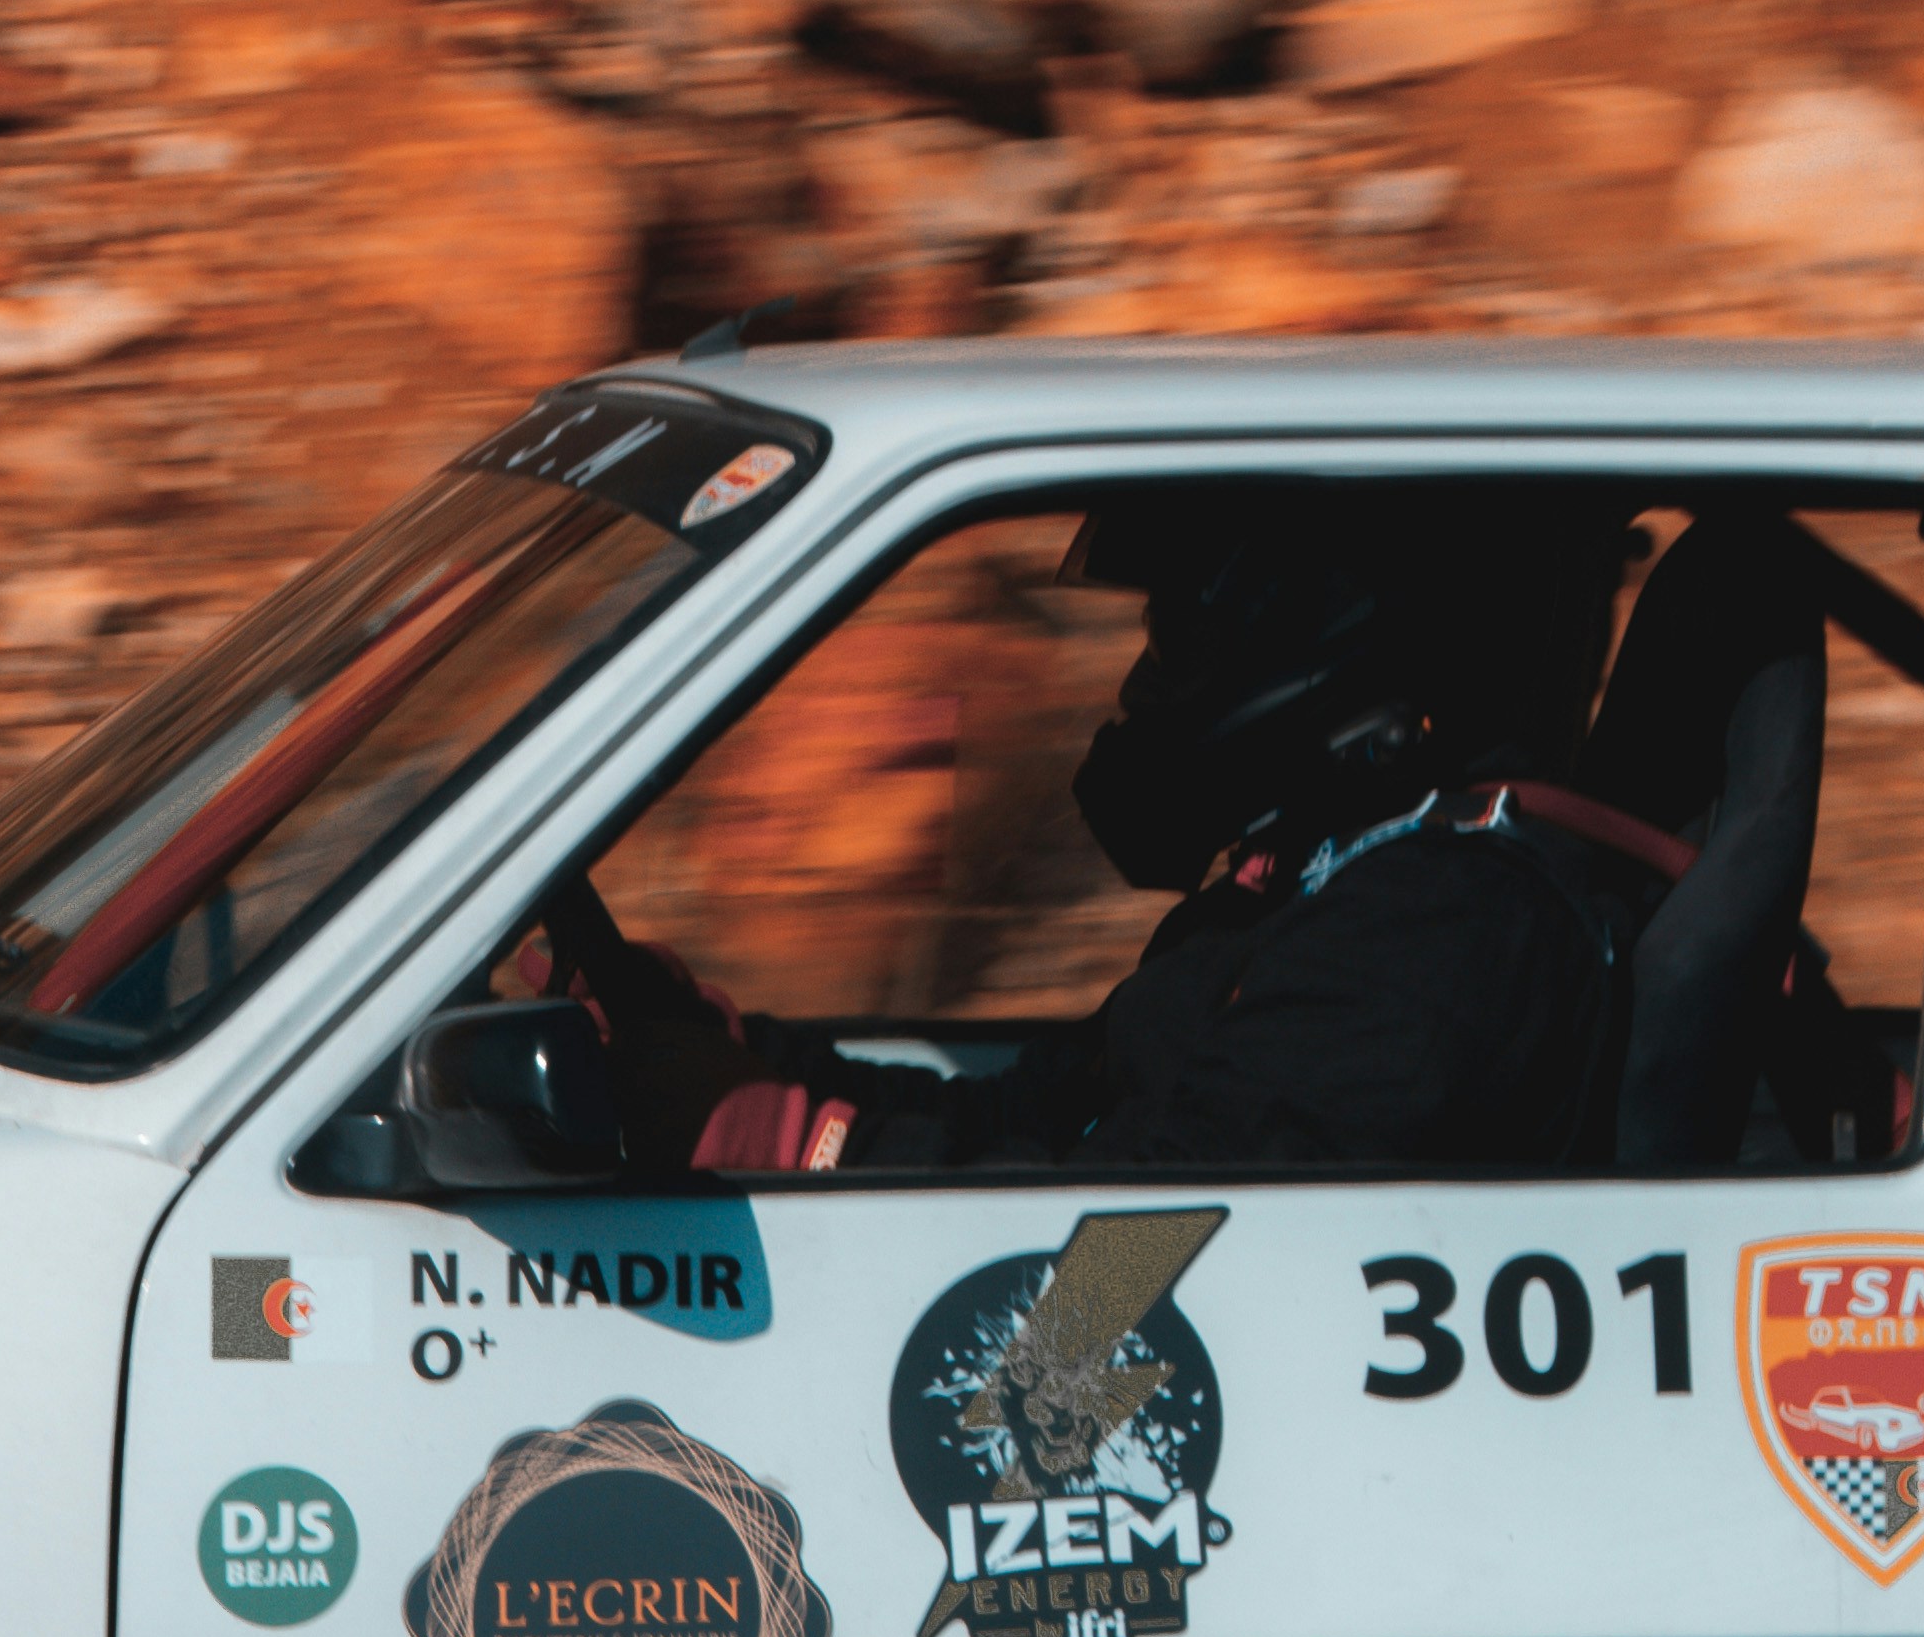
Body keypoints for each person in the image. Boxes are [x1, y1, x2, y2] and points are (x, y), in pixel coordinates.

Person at [543, 486, 1682, 1173]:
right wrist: (728, 1052)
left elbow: (1117, 1297)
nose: (1142, 684)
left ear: (1328, 634)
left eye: (1177, 638)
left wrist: (787, 1145)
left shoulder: (1437, 935)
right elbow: (1045, 1116)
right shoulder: (1322, 884)